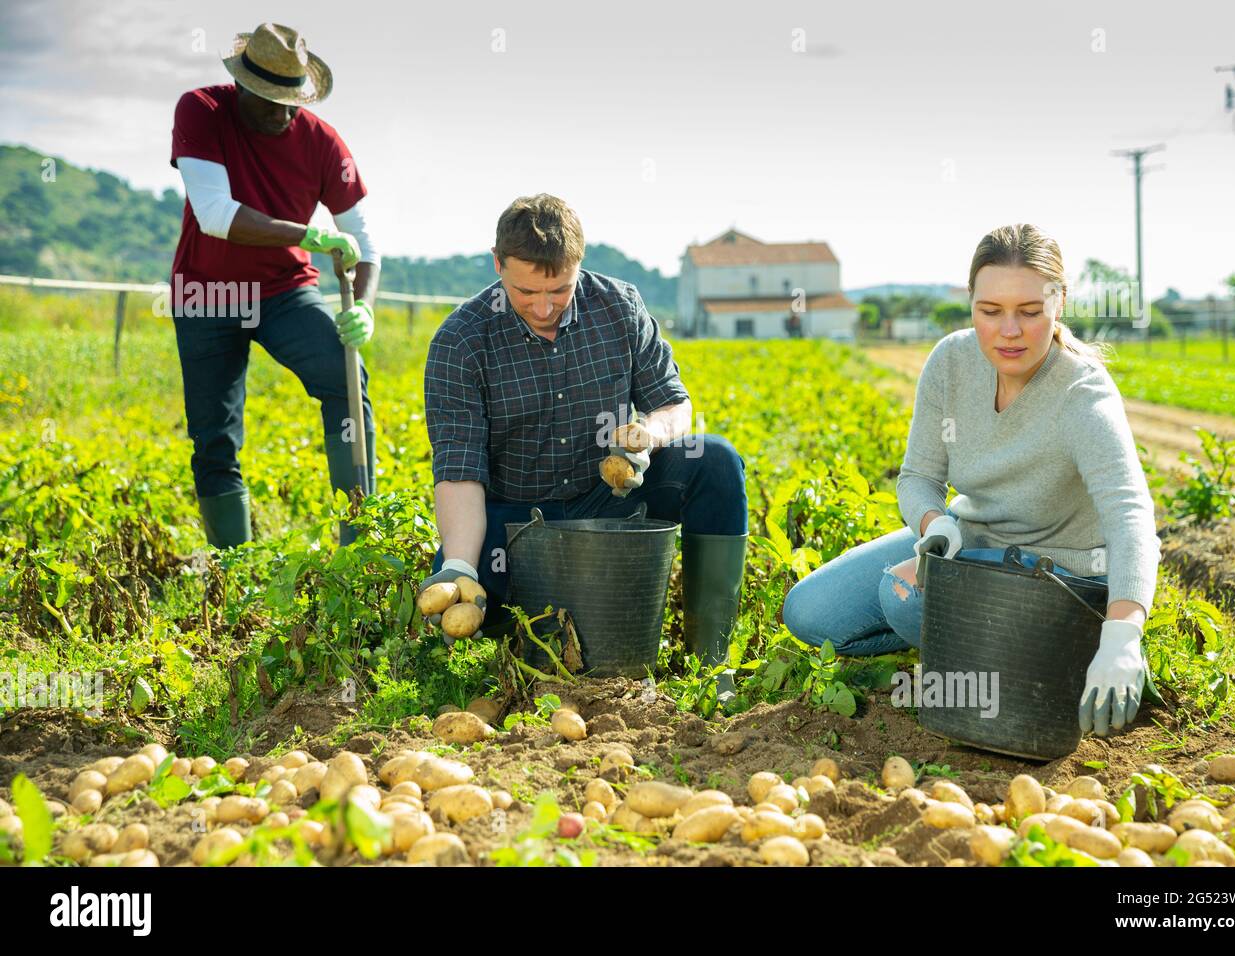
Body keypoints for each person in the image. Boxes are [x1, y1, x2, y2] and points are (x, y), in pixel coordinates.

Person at [782, 223, 1160, 738]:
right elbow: (918, 477)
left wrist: (1123, 633)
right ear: (971, 302)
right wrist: (936, 525)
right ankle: (998, 661)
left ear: (1058, 304)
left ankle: (1061, 657)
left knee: (903, 599)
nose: (1010, 331)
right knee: (810, 611)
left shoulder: (1081, 394)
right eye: (991, 312)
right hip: (972, 542)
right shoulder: (951, 363)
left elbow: (1129, 515)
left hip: (1059, 574)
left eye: (1029, 312)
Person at [419, 195, 748, 693]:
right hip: (516, 525)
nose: (545, 307)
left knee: (716, 460)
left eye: (561, 289)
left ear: (579, 264)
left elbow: (675, 404)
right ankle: (512, 632)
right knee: (466, 620)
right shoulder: (461, 341)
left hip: (608, 503)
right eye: (527, 291)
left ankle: (711, 666)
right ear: (497, 264)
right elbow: (460, 471)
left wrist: (649, 436)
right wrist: (459, 565)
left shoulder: (618, 305)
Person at [169, 22, 380, 548]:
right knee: (213, 435)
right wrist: (309, 233)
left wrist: (367, 307)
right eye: (271, 100)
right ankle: (232, 567)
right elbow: (215, 213)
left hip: (284, 291)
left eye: (294, 100)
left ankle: (359, 542)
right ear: (241, 86)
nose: (286, 113)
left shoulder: (323, 141)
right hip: (208, 293)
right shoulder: (200, 111)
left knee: (345, 375)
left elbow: (364, 241)